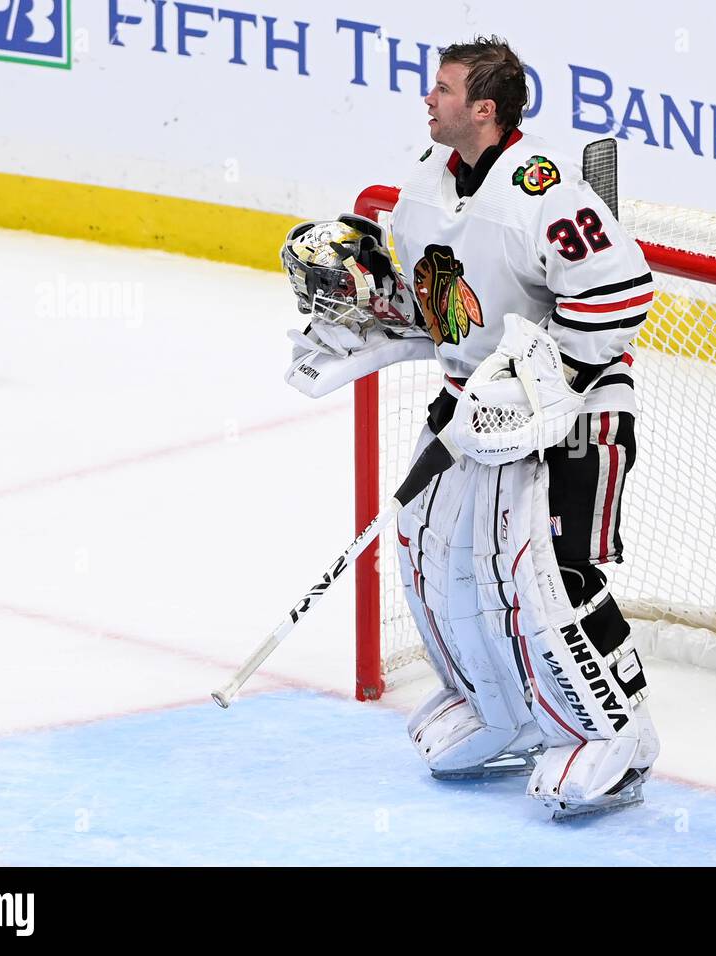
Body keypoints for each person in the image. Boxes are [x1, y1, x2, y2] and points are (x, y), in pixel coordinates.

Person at [282, 36, 659, 818]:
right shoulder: (425, 186)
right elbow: (447, 312)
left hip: (572, 414)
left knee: (550, 578)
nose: (429, 98)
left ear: (483, 110)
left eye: (444, 89)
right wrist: (379, 314)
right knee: (431, 557)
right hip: (467, 410)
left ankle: (616, 735)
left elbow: (618, 298)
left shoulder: (548, 191)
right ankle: (498, 709)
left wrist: (536, 384)